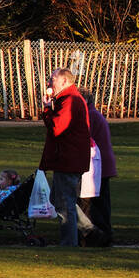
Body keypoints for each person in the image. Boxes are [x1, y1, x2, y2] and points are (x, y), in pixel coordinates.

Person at [39, 68, 95, 247]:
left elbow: (57, 128)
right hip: (68, 159)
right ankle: (89, 230)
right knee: (58, 199)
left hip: (68, 160)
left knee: (65, 204)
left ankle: (69, 242)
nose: (49, 83)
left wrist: (47, 110)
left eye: (52, 79)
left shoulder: (70, 101)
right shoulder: (67, 100)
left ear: (64, 81)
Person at [80, 89, 116, 247]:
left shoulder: (89, 116)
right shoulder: (95, 115)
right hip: (103, 164)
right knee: (101, 202)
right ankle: (104, 234)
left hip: (96, 165)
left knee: (92, 203)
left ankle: (97, 236)